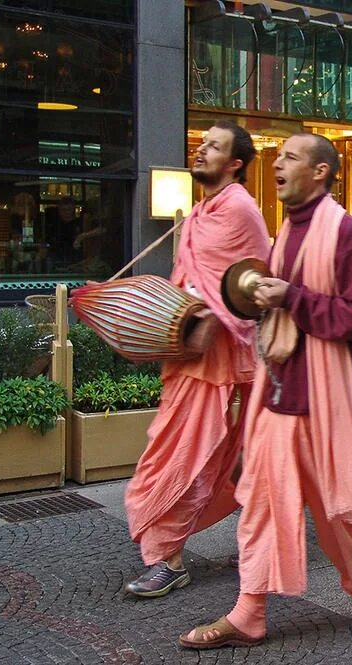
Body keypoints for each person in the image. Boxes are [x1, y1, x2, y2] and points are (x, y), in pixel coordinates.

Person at [179, 133, 352, 649]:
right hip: (280, 393)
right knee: (260, 500)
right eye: (277, 158)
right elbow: (282, 302)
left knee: (350, 505)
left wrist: (293, 298)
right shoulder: (287, 232)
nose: (276, 164)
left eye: (290, 158)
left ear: (320, 172)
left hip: (332, 399)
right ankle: (248, 612)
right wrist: (253, 295)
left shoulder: (347, 234)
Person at [123, 120, 270, 598]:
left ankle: (169, 559)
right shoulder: (201, 211)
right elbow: (190, 280)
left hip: (217, 359)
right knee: (169, 450)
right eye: (201, 142)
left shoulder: (241, 210)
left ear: (235, 164)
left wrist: (209, 316)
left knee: (195, 456)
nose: (202, 150)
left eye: (214, 147)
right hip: (186, 354)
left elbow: (250, 285)